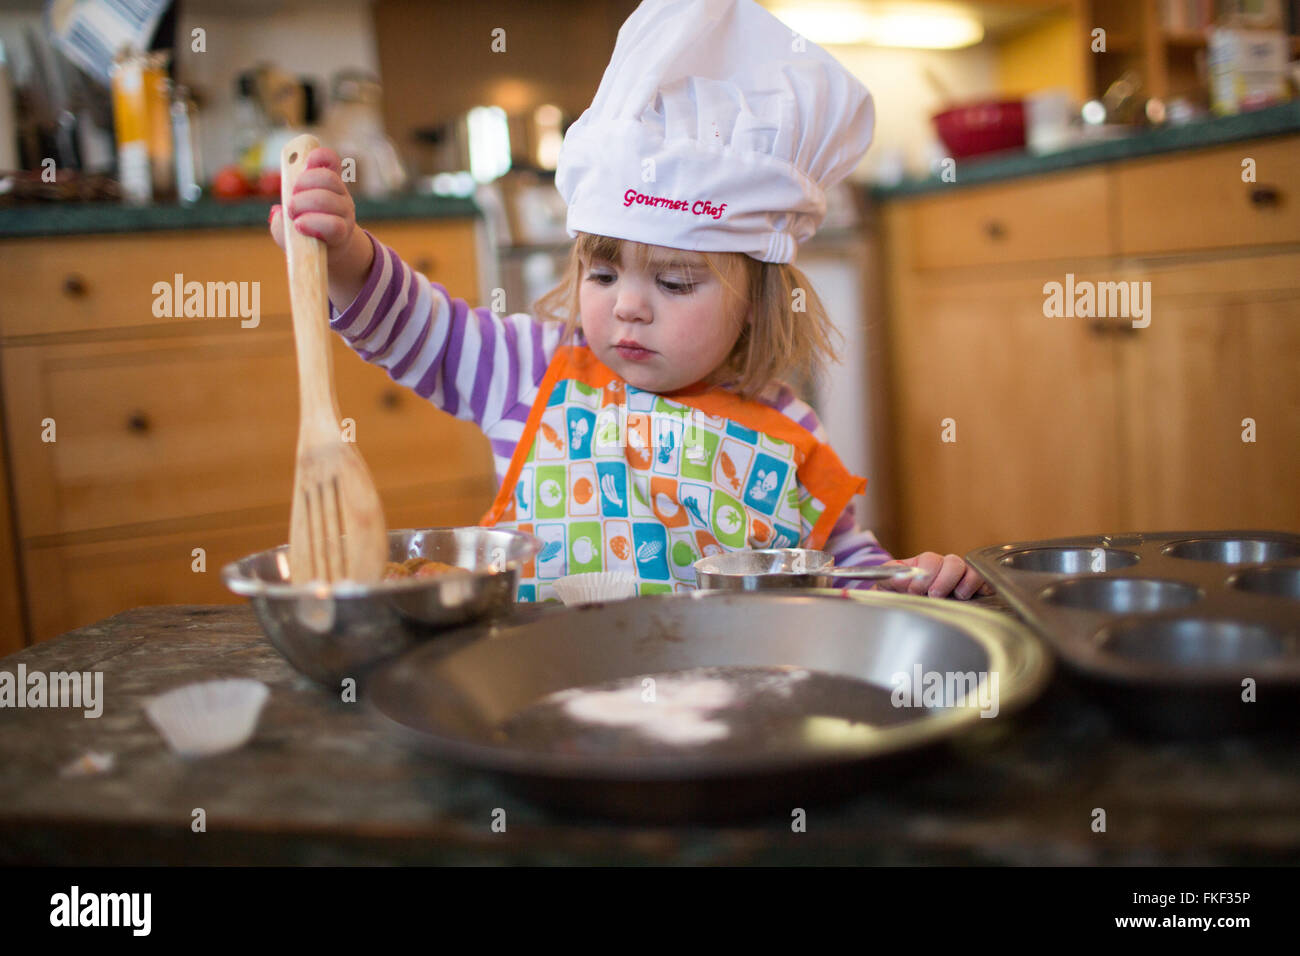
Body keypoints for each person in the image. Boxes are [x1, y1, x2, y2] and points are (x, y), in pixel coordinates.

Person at [270, 0, 989, 602]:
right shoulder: (532, 370)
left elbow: (844, 580)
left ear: (756, 299)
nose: (628, 308)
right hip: (541, 704)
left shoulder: (791, 438)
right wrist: (344, 255)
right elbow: (419, 331)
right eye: (604, 275)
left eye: (675, 282)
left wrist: (914, 582)